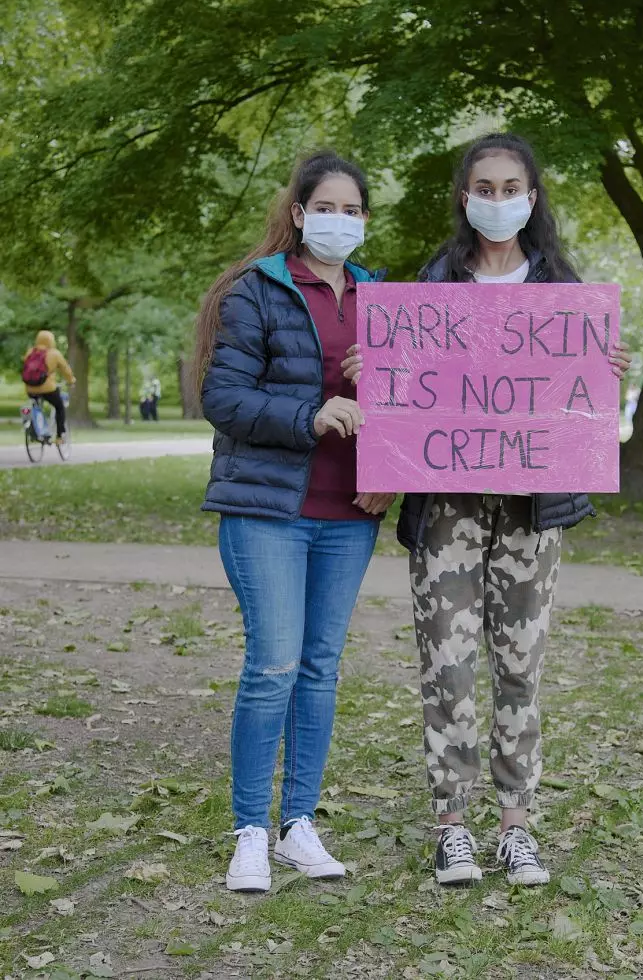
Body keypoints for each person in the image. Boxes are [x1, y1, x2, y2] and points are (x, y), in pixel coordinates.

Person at [395, 133, 632, 887]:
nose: (499, 200)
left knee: (520, 670)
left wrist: (607, 376)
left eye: (512, 187)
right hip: (446, 511)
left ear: (534, 197)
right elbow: (404, 390)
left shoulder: (565, 292)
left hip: (533, 511)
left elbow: (583, 410)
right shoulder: (434, 286)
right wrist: (380, 368)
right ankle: (452, 826)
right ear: (465, 198)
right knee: (448, 668)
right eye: (485, 188)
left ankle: (517, 826)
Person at [194, 151, 395, 894]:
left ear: (364, 220)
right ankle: (251, 829)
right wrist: (310, 414)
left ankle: (299, 826)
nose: (340, 220)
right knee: (272, 666)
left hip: (351, 515)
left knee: (319, 670)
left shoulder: (386, 298)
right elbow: (225, 398)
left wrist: (388, 473)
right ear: (301, 212)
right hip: (267, 510)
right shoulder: (257, 289)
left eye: (354, 209)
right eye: (327, 207)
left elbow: (416, 405)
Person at [21, 330, 76, 443]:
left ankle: (36, 429)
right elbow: (65, 369)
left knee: (35, 406)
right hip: (48, 389)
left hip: (30, 388)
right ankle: (60, 436)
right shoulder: (54, 353)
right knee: (59, 406)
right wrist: (71, 380)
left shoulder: (30, 352)